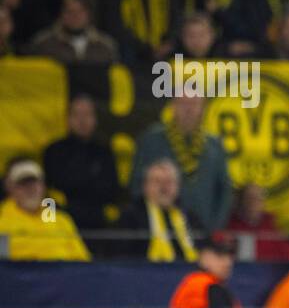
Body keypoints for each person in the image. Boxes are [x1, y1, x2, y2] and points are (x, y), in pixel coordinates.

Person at [129, 91, 233, 232]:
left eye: (194, 104)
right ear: (173, 106)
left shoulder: (214, 145)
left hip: (204, 230)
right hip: (160, 232)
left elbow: (225, 191)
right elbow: (137, 184)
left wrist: (215, 226)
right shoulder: (152, 140)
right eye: (183, 104)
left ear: (203, 108)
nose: (188, 110)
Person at [41, 95, 121, 231]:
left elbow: (111, 189)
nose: (82, 120)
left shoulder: (104, 151)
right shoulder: (54, 151)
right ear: (68, 119)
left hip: (97, 222)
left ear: (95, 119)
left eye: (87, 115)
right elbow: (48, 190)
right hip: (62, 219)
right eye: (76, 115)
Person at [0, 158, 91, 261]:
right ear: (10, 188)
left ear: (43, 186)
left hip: (63, 274)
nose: (31, 189)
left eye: (34, 183)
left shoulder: (61, 220)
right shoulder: (2, 220)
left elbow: (82, 260)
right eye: (23, 184)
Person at [117, 158, 198, 262]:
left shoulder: (189, 216)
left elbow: (204, 249)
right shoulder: (131, 216)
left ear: (178, 186)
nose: (164, 188)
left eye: (169, 182)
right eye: (157, 181)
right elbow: (121, 256)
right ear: (145, 186)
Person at [169, 237, 241, 308]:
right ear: (204, 258)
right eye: (220, 256)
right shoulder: (210, 287)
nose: (228, 263)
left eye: (230, 257)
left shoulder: (193, 281)